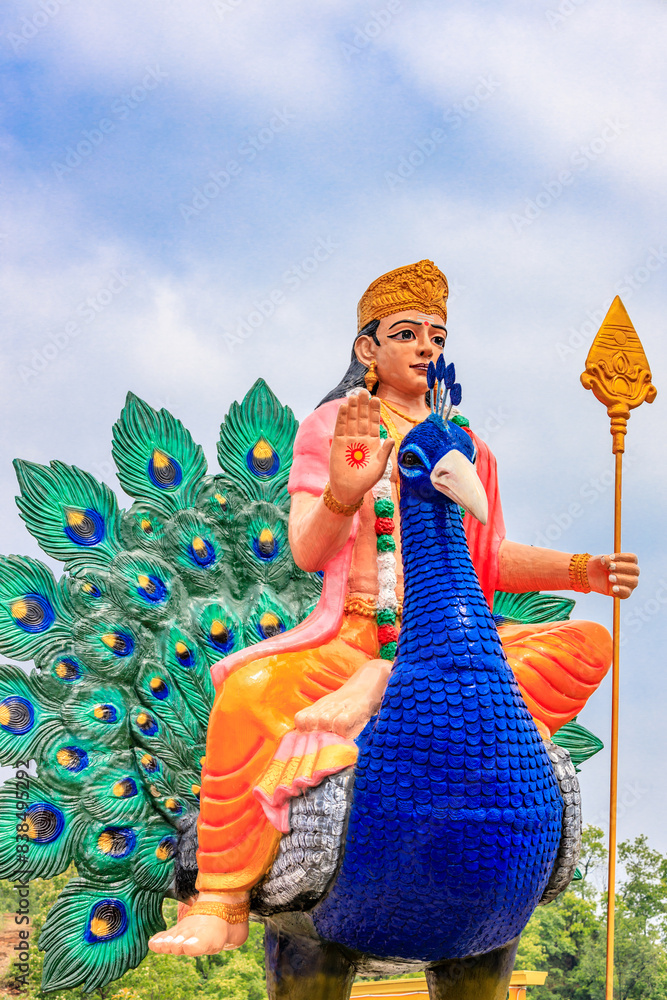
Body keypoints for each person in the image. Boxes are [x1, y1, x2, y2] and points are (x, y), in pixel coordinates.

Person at [149, 259, 639, 957]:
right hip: (353, 639)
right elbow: (307, 550)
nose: (425, 348)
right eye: (406, 333)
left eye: (436, 337)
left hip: (459, 636)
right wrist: (345, 490)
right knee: (250, 697)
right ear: (366, 348)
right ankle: (221, 897)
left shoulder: (468, 445)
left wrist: (583, 570)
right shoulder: (333, 424)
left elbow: (487, 556)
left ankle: (465, 739)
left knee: (586, 645)